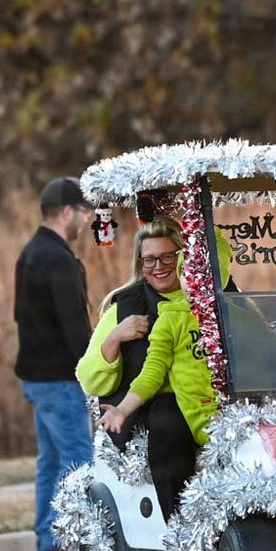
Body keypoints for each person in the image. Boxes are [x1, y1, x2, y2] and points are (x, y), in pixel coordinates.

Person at [94, 217, 232, 521]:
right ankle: (180, 525)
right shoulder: (155, 313)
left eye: (168, 256)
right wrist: (121, 408)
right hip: (175, 403)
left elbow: (264, 348)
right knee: (168, 424)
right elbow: (150, 372)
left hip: (226, 398)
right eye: (150, 259)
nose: (159, 266)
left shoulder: (229, 308)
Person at [14, 176, 95, 551]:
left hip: (35, 377)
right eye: (84, 212)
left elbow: (21, 316)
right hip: (60, 379)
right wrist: (98, 371)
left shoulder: (29, 253)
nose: (88, 220)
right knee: (80, 457)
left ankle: (48, 543)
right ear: (67, 212)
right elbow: (75, 328)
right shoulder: (59, 260)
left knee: (50, 461)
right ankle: (71, 536)